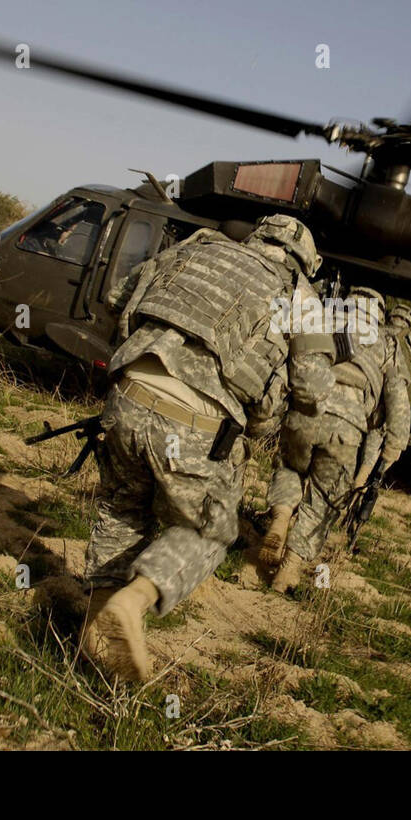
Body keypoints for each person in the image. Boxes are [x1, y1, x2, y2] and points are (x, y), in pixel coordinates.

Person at [78, 214, 332, 681]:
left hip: (127, 390)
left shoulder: (195, 247)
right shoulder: (302, 298)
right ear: (305, 261)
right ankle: (132, 602)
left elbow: (116, 298)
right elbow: (314, 389)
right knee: (211, 529)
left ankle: (95, 628)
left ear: (256, 236)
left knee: (121, 508)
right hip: (193, 419)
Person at [260, 286, 410, 592]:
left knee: (290, 467)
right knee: (325, 498)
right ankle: (287, 571)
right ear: (379, 314)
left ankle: (282, 514)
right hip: (346, 427)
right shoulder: (387, 342)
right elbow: (397, 396)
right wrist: (394, 445)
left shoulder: (324, 318)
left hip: (304, 412)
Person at [354, 301, 411, 486]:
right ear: (409, 321)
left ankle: (361, 474)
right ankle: (368, 478)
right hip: (397, 393)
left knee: (371, 429)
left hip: (372, 389)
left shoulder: (377, 332)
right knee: (386, 435)